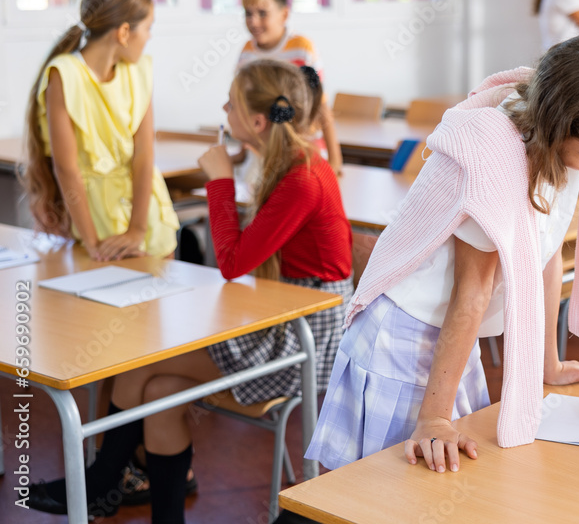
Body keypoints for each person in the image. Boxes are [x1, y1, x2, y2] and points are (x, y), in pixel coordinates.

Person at [306, 31, 579, 474]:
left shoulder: (564, 146)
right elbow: (473, 291)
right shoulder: (496, 158)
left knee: (439, 486)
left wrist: (547, 363)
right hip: (406, 333)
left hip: (452, 337)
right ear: (556, 127)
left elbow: (541, 253)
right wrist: (433, 418)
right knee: (383, 493)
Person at [27, 60, 353, 523]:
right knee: (161, 393)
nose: (223, 109)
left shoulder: (302, 176)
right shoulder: (286, 161)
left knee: (147, 362)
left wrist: (218, 178)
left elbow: (233, 262)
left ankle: (101, 481)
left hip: (308, 332)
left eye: (232, 104)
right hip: (285, 310)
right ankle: (127, 494)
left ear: (258, 123)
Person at [21, 0, 179, 260]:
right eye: (148, 28)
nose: (150, 36)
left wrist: (137, 229)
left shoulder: (139, 70)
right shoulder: (64, 74)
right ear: (124, 32)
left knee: (155, 298)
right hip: (94, 220)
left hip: (147, 216)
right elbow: (66, 168)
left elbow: (144, 155)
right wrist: (93, 243)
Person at [237, 0, 342, 176]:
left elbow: (321, 106)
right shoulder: (247, 53)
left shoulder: (301, 49)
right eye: (248, 13)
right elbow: (245, 107)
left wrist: (336, 161)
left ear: (284, 15)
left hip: (305, 149)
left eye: (262, 13)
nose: (253, 21)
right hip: (263, 152)